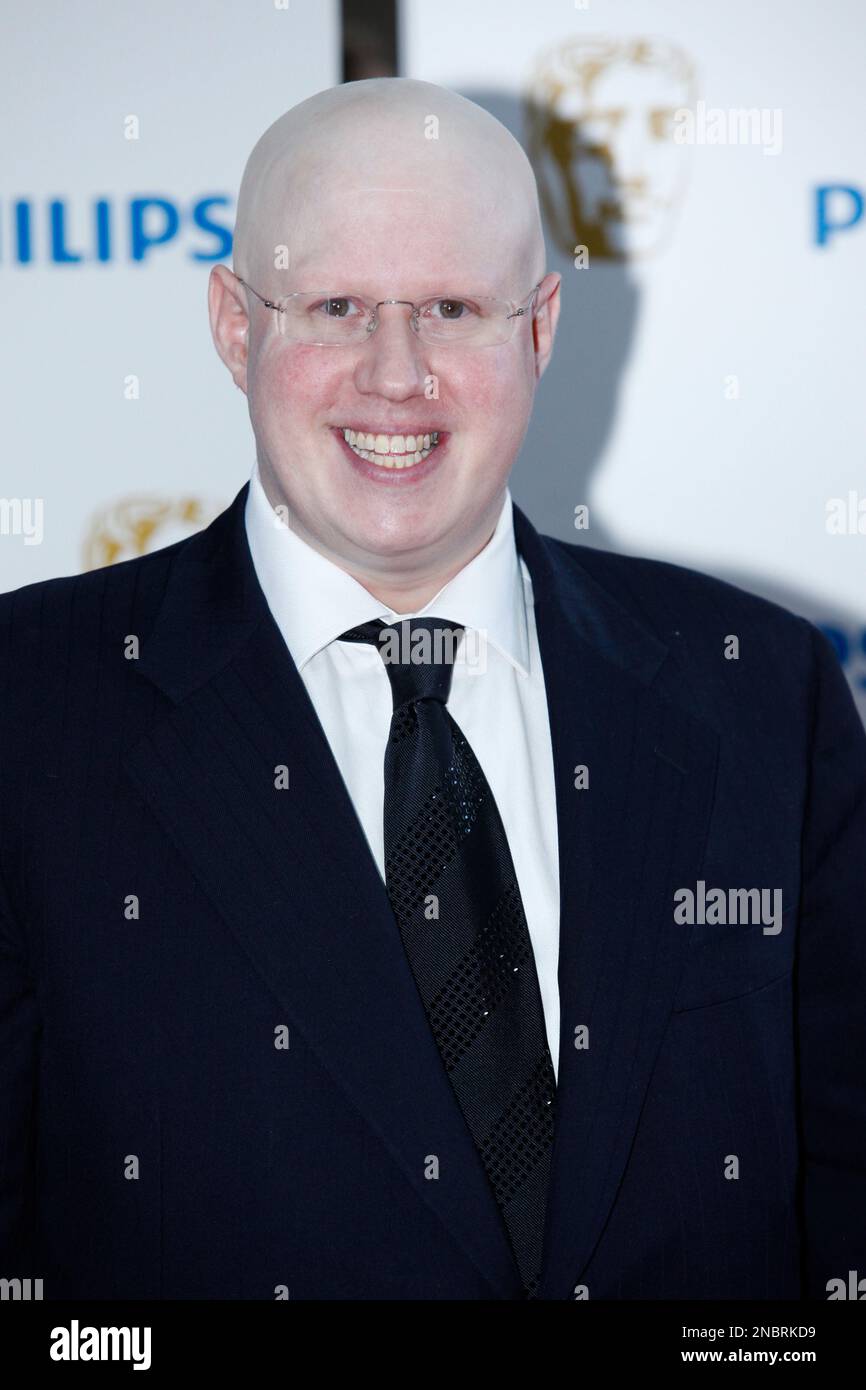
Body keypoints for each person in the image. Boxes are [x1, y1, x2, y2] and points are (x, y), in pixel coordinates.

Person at [1, 77, 864, 1302]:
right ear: (236, 326)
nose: (394, 376)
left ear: (540, 325)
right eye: (338, 304)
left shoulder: (763, 694)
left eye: (452, 307)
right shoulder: (28, 708)